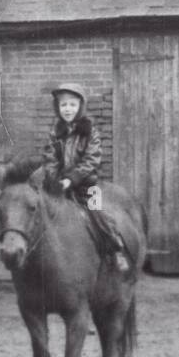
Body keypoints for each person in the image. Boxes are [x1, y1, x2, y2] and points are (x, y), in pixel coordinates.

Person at [42, 83, 131, 273]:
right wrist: (53, 177)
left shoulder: (90, 131)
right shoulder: (55, 132)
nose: (68, 109)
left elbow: (92, 159)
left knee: (99, 215)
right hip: (60, 185)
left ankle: (116, 250)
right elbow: (50, 157)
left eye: (72, 105)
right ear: (57, 107)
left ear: (80, 106)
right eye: (63, 105)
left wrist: (72, 179)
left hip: (86, 184)